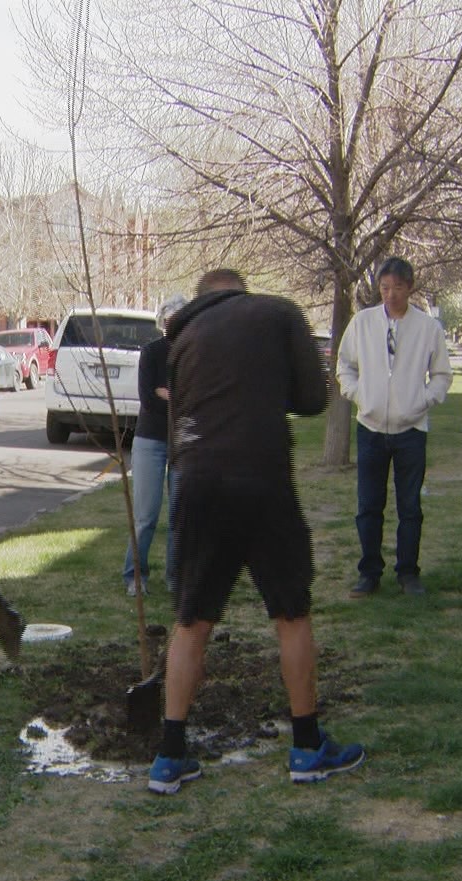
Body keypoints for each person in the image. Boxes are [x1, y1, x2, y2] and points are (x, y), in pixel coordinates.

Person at [148, 268, 364, 795]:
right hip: (261, 477)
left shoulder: (179, 335)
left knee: (191, 615)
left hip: (196, 481)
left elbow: (181, 414)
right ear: (241, 289)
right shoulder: (278, 312)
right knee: (290, 609)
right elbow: (315, 399)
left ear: (201, 297)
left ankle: (169, 755)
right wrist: (265, 388)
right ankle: (307, 747)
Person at [336, 257, 451, 598]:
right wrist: (359, 395)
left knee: (409, 506)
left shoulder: (428, 328)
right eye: (385, 288)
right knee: (369, 504)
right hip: (370, 426)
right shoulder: (363, 322)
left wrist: (423, 400)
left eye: (397, 288)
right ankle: (369, 571)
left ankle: (408, 572)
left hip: (411, 429)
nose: (390, 295)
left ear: (409, 288)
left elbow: (442, 374)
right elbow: (345, 365)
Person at [120, 294, 185, 596]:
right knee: (146, 514)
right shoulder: (152, 352)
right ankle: (135, 574)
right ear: (163, 322)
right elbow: (148, 398)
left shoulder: (195, 353)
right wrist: (177, 398)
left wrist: (168, 394)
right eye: (170, 320)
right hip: (150, 440)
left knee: (180, 514)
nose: (175, 325)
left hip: (184, 442)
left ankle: (177, 576)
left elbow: (196, 400)